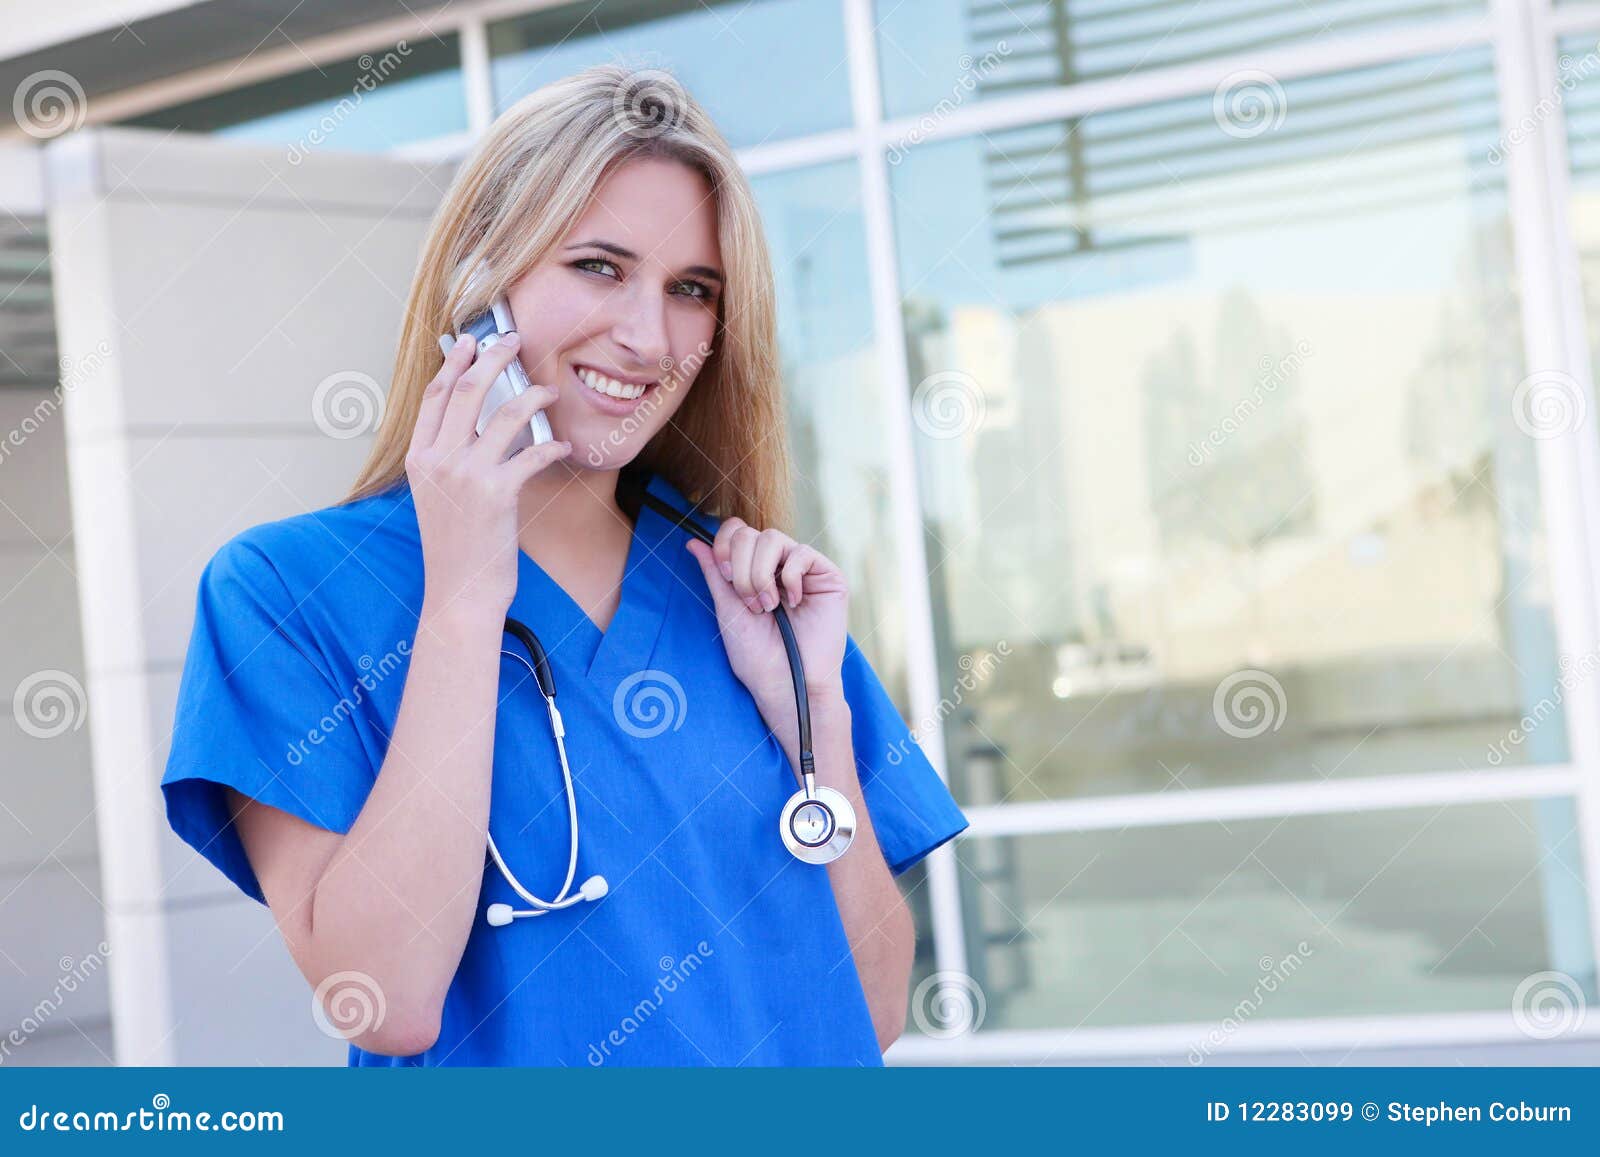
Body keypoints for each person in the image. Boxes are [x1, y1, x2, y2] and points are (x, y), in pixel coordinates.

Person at [160, 64, 968, 1067]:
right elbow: (387, 1000)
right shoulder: (288, 593)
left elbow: (875, 1007)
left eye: (691, 290)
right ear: (479, 286)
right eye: (597, 266)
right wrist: (461, 598)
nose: (645, 335)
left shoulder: (749, 593)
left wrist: (813, 709)